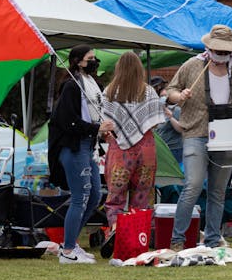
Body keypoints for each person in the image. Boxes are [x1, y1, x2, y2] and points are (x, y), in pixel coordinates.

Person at [164, 24, 232, 250]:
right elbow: (169, 93)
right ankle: (177, 240)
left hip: (227, 131)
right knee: (192, 185)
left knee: (218, 191)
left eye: (226, 52)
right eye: (218, 51)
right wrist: (179, 96)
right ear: (208, 48)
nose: (222, 56)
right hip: (196, 132)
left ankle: (212, 239)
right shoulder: (192, 66)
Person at [48, 45, 115, 264]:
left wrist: (100, 131)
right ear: (78, 61)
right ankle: (67, 251)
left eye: (95, 58)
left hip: (89, 147)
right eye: (90, 58)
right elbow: (68, 122)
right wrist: (96, 128)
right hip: (74, 147)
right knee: (80, 197)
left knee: (95, 196)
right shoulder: (72, 85)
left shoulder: (92, 83)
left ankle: (71, 241)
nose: (95, 61)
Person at [100, 51, 165, 229]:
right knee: (143, 195)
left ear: (118, 68)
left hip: (118, 150)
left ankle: (116, 231)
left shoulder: (109, 92)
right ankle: (139, 235)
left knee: (115, 196)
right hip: (146, 148)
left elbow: (106, 124)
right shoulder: (149, 91)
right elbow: (154, 123)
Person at [152, 76, 184, 164]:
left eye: (165, 96)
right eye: (161, 95)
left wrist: (170, 117)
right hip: (159, 150)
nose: (164, 97)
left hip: (174, 150)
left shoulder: (175, 110)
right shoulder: (153, 112)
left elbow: (180, 129)